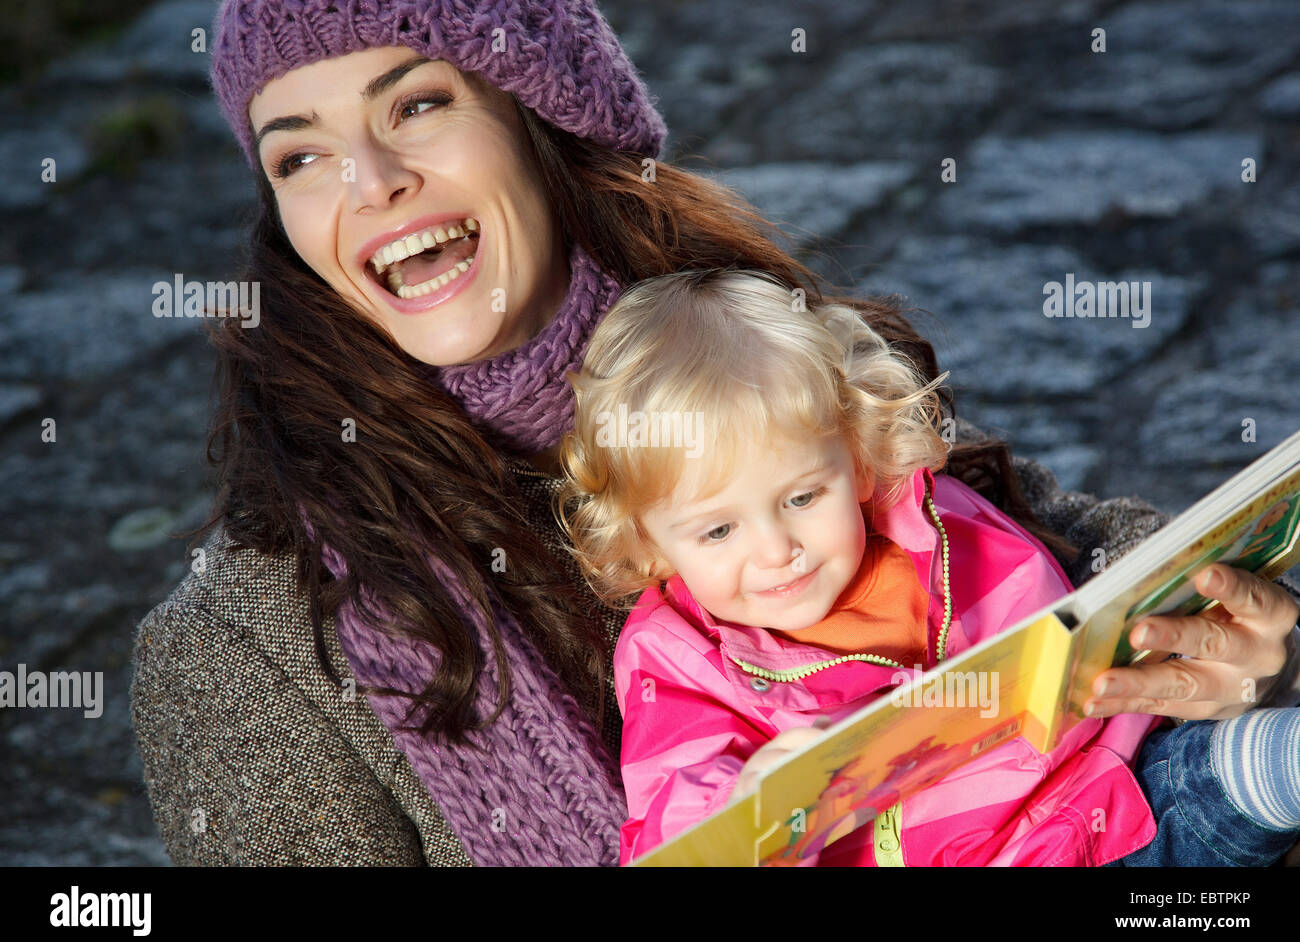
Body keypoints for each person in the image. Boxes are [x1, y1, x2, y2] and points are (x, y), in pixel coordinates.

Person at [129, 0, 1300, 866]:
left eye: (418, 103)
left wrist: (1219, 639)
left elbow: (1035, 536)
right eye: (301, 154)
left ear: (540, 113)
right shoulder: (251, 648)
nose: (369, 180)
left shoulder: (745, 344)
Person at [555, 269, 1300, 866]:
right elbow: (672, 817)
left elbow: (1075, 641)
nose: (777, 549)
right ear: (649, 544)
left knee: (1220, 770)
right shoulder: (676, 654)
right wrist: (751, 809)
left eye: (804, 496)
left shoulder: (940, 524)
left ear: (856, 455)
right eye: (717, 529)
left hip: (1098, 813)